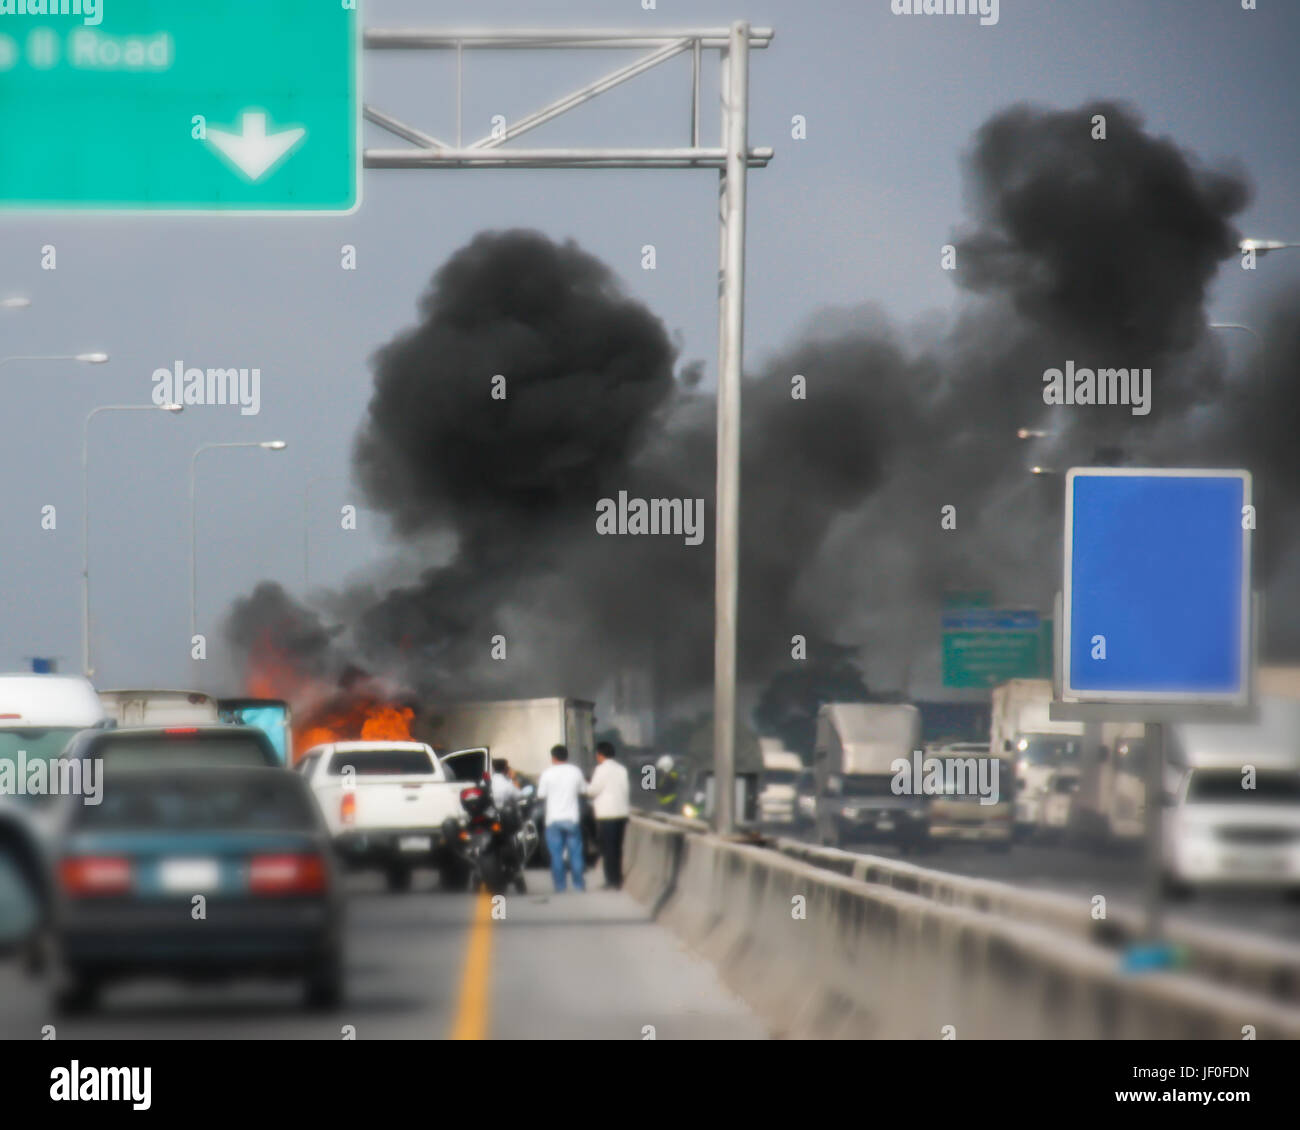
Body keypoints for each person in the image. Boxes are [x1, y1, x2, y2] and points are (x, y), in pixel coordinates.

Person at [537, 744, 587, 892]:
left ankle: (560, 887)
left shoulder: (547, 773)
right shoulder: (576, 772)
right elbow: (583, 790)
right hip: (572, 819)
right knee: (576, 853)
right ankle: (579, 886)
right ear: (567, 756)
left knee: (556, 855)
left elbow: (541, 795)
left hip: (553, 820)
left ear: (553, 757)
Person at [587, 740, 631, 889]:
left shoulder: (601, 770)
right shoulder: (622, 769)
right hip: (622, 813)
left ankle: (611, 880)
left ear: (600, 755)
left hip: (607, 815)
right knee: (617, 848)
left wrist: (585, 787)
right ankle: (617, 878)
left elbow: (593, 790)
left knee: (607, 849)